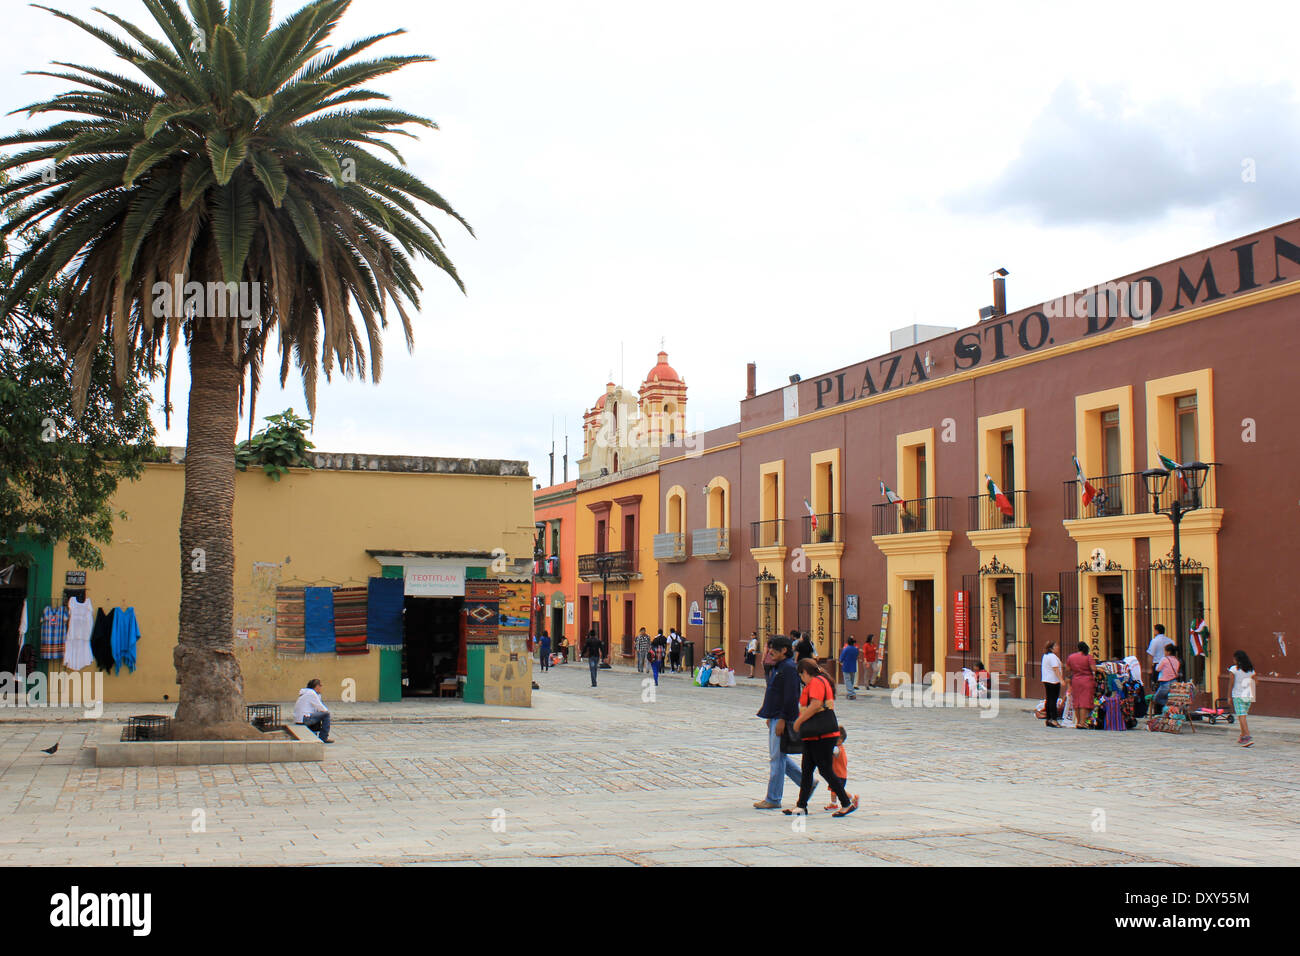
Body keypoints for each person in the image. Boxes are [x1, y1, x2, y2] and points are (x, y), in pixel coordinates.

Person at [786, 659, 856, 817]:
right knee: (806, 770)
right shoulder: (817, 682)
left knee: (825, 770)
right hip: (813, 735)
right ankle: (801, 806)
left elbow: (816, 704)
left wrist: (799, 721)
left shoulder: (817, 682)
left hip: (822, 734)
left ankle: (846, 802)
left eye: (801, 675)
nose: (801, 679)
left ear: (804, 672)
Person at [753, 636, 814, 810]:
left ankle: (773, 797)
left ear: (784, 651)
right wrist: (769, 715)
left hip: (782, 718)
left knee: (777, 758)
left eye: (774, 649)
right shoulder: (778, 667)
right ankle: (807, 783)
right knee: (779, 757)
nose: (770, 652)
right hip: (774, 716)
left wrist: (782, 719)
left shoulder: (788, 669)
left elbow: (790, 697)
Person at [1065, 642, 1097, 730]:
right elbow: (1093, 668)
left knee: (1077, 702)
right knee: (1084, 702)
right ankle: (1082, 723)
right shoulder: (1088, 657)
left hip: (1075, 680)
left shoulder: (1071, 657)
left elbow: (1067, 669)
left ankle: (1078, 722)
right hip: (1087, 680)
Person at [1228, 650, 1256, 747]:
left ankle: (1247, 735)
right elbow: (1256, 681)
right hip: (1248, 695)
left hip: (1238, 695)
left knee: (1241, 716)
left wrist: (1229, 696)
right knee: (1242, 716)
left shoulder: (1234, 669)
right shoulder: (1250, 670)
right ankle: (1242, 735)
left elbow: (1231, 683)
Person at [293, 678, 333, 743]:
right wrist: (326, 711)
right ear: (317, 686)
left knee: (318, 714)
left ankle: (315, 733)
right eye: (320, 685)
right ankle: (324, 737)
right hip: (304, 719)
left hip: (299, 718)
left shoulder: (305, 693)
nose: (321, 687)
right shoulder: (311, 693)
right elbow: (322, 708)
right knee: (326, 714)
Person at [824, 726, 851, 811]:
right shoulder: (841, 748)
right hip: (841, 774)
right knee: (838, 790)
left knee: (835, 790)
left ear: (840, 740)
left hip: (838, 774)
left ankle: (834, 803)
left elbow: (833, 752)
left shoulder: (837, 749)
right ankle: (850, 798)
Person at [1041, 641, 1063, 728]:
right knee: (1053, 700)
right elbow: (1055, 669)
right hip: (1053, 680)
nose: (1058, 647)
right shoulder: (1053, 657)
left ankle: (1048, 718)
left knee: (1049, 699)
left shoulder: (1046, 656)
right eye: (1056, 646)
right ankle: (1053, 719)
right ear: (1051, 648)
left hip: (1047, 679)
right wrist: (1061, 680)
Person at [1153, 642, 1180, 712]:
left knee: (1156, 698)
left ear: (1168, 652)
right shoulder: (1177, 660)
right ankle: (1168, 709)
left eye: (1165, 651)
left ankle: (1168, 706)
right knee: (1170, 698)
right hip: (1174, 682)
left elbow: (1158, 669)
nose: (1164, 652)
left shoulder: (1164, 659)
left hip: (1165, 683)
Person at [1146, 624, 1174, 689]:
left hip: (1158, 665)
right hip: (1170, 664)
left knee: (1157, 685)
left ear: (1156, 631)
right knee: (1169, 685)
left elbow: (1150, 655)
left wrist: (1149, 668)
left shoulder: (1154, 641)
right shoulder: (1170, 641)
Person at [1189, 607, 1209, 687]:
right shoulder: (1195, 622)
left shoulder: (1202, 623)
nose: (1198, 614)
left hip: (1203, 645)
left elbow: (1204, 632)